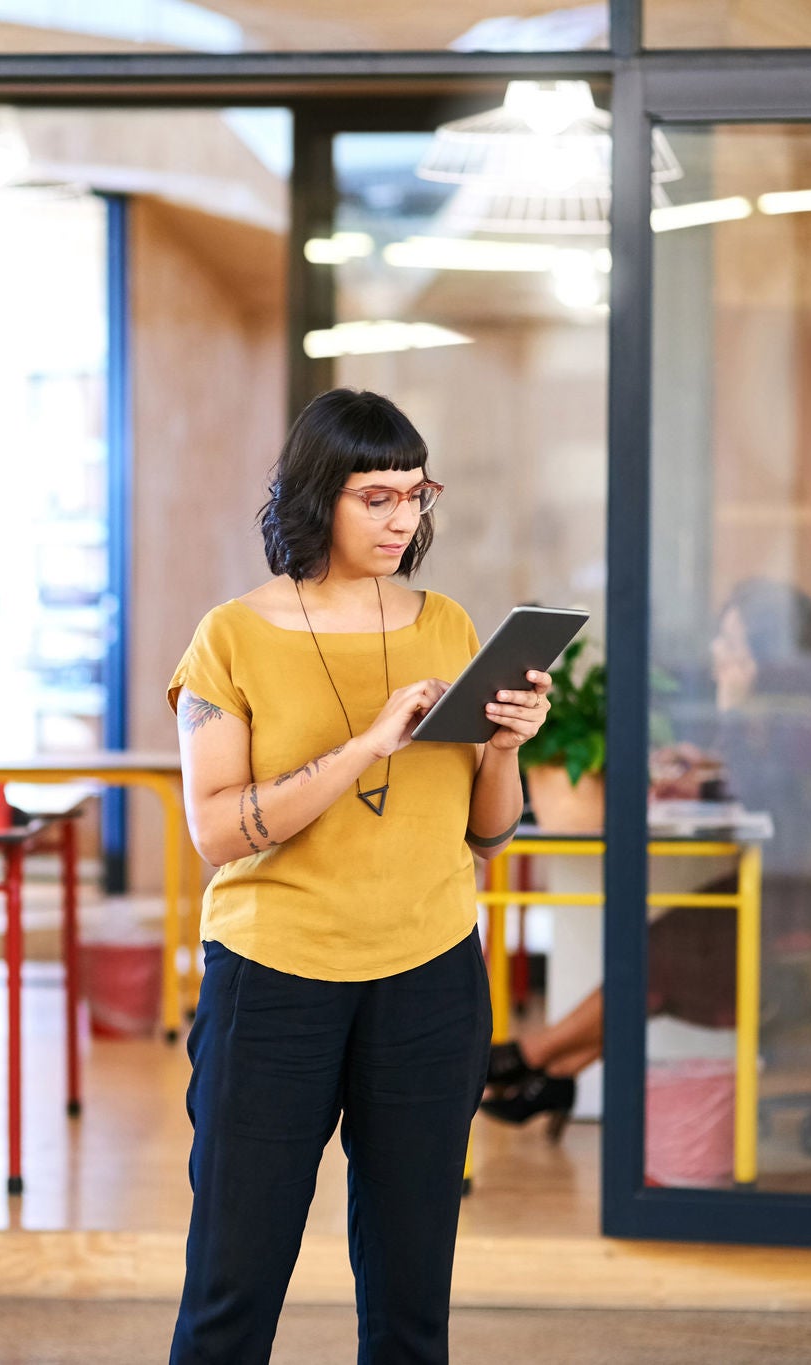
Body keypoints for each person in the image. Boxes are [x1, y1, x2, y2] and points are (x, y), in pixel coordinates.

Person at [167, 388, 553, 1364]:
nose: (401, 520)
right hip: (272, 978)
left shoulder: (447, 625)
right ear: (315, 500)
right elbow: (216, 832)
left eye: (414, 496)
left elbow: (485, 832)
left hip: (427, 977)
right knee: (232, 1286)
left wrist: (505, 747)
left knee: (412, 1301)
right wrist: (366, 744)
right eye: (373, 499)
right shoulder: (231, 637)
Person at [483, 579, 811, 1130]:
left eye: (733, 646)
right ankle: (557, 1072)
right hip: (795, 882)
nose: (718, 654)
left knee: (655, 957)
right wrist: (707, 768)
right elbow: (755, 788)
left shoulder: (805, 719)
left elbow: (771, 807)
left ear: (770, 659)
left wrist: (733, 713)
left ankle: (534, 1057)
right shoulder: (800, 708)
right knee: (657, 949)